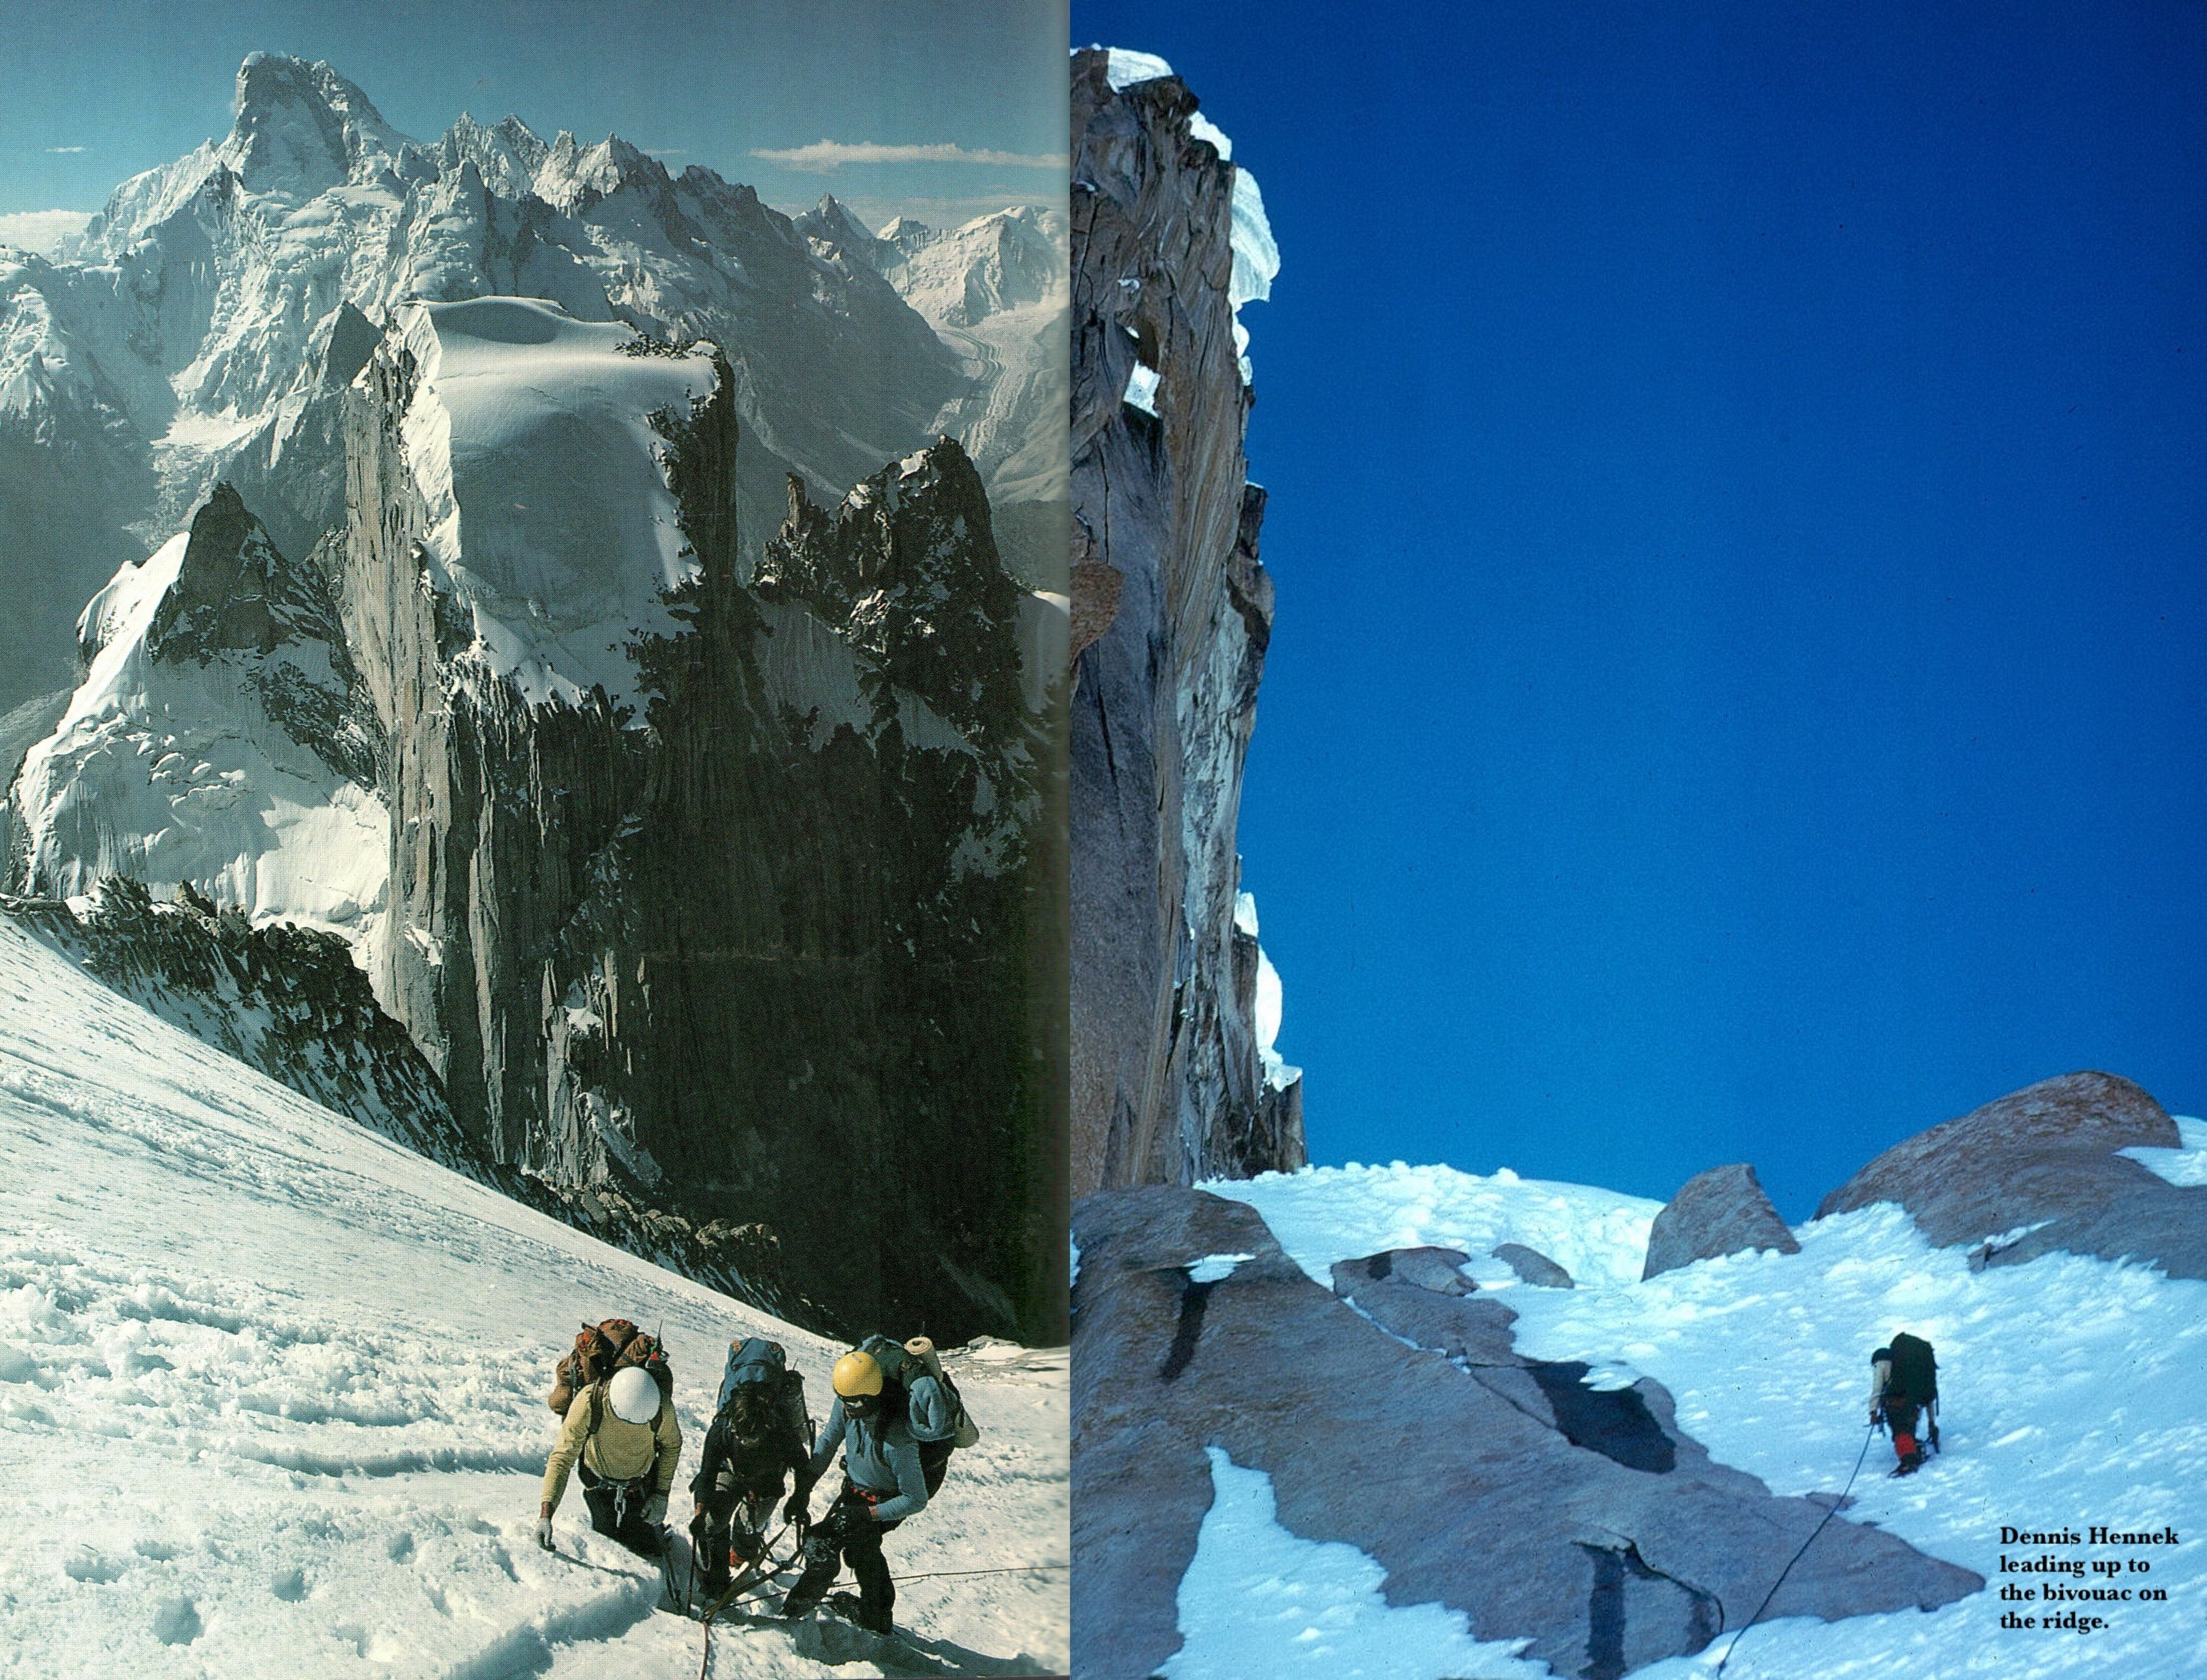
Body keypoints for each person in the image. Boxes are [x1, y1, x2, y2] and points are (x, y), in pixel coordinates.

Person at [780, 1347, 930, 1635]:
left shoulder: (898, 1438)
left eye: (854, 1402)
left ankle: (796, 1610)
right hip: (856, 1493)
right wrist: (803, 1490)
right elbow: (828, 1442)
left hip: (884, 1503)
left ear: (873, 1396)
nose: (847, 1408)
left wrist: (870, 1515)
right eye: (842, 1400)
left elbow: (915, 1498)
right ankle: (877, 1614)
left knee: (826, 1542)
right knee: (861, 1549)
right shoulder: (849, 1404)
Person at [688, 1364, 816, 1598]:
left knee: (751, 1527)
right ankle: (716, 1577)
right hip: (732, 1472)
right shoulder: (722, 1430)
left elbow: (802, 1465)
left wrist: (800, 1498)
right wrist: (700, 1512)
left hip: (767, 1481)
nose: (747, 1441)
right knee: (712, 1522)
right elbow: (707, 1474)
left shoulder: (780, 1430)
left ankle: (741, 1552)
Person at [538, 1364, 683, 1557]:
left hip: (640, 1485)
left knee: (647, 1550)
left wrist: (661, 1494)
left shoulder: (661, 1407)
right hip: (599, 1483)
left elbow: (671, 1446)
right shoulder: (590, 1401)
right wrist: (546, 1515)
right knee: (606, 1541)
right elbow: (562, 1457)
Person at [1868, 1332, 1939, 1477]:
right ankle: (1915, 1451)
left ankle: (1909, 1461)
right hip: (1914, 1402)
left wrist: (1873, 1411)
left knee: (1901, 1432)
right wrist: (1932, 1423)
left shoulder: (1880, 1363)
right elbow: (1929, 1398)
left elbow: (1877, 1388)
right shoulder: (1907, 1368)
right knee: (1908, 1428)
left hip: (1897, 1404)